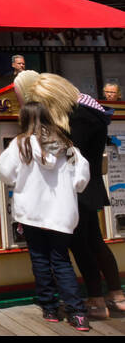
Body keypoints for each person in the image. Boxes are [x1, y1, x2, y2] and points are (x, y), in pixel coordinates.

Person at [15, 71, 124, 320]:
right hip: (92, 185)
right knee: (96, 242)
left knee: (80, 245)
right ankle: (116, 296)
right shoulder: (91, 110)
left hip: (77, 189)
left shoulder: (78, 118)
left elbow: (65, 153)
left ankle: (96, 301)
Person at [0, 97, 91, 330]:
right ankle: (77, 313)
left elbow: (5, 172)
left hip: (31, 212)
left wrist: (20, 181)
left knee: (39, 259)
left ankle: (49, 308)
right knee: (61, 261)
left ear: (24, 119)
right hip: (62, 213)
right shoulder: (68, 147)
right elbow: (81, 179)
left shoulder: (20, 145)